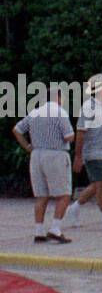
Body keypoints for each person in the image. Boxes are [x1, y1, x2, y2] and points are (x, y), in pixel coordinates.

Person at [12, 91, 75, 244]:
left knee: (42, 195)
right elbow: (69, 136)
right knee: (64, 194)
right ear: (57, 98)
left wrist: (28, 146)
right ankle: (55, 228)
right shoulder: (60, 112)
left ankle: (38, 230)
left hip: (37, 155)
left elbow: (17, 130)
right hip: (56, 154)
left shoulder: (34, 113)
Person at [68, 73, 102, 232]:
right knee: (101, 185)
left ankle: (75, 208)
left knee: (97, 184)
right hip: (94, 153)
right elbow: (81, 132)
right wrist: (78, 156)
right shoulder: (89, 107)